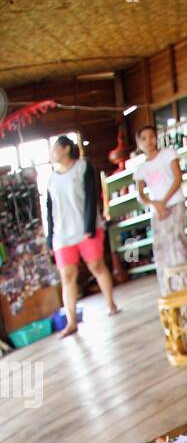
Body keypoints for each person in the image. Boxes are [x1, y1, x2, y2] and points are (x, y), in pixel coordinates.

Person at [46, 134, 119, 336]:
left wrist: (89, 226)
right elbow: (49, 210)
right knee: (67, 276)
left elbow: (91, 195)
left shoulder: (82, 167)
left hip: (86, 227)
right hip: (62, 234)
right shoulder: (51, 179)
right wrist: (50, 238)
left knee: (96, 266)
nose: (52, 153)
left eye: (54, 149)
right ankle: (71, 322)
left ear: (66, 149)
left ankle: (111, 304)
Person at [132, 125, 187, 293]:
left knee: (177, 243)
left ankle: (185, 285)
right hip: (157, 210)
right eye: (144, 138)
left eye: (152, 136)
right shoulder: (141, 169)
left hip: (175, 203)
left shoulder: (168, 154)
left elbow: (178, 179)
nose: (149, 141)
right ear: (138, 143)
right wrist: (155, 205)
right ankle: (168, 288)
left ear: (156, 138)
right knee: (161, 248)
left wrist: (162, 202)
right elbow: (141, 194)